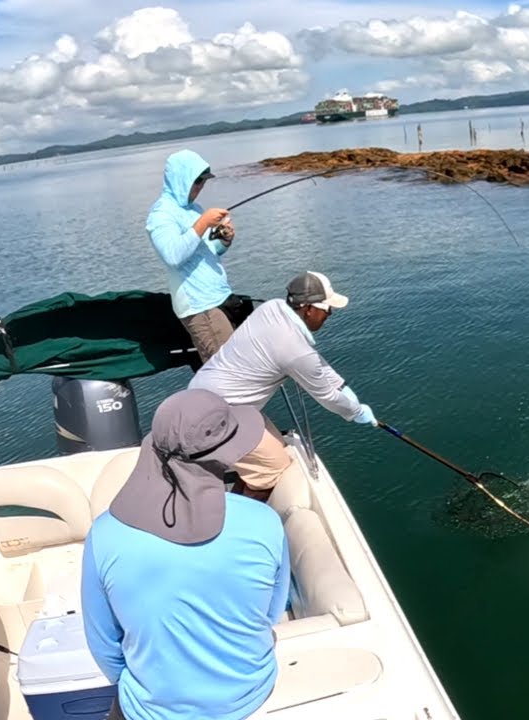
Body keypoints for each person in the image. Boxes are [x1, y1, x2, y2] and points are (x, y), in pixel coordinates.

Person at [82, 388, 290, 720]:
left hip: (152, 710)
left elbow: (104, 645)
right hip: (252, 693)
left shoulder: (103, 535)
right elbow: (271, 612)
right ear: (230, 452)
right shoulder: (265, 522)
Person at [189, 271, 377, 501]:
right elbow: (326, 395)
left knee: (275, 449)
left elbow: (314, 363)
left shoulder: (271, 309)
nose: (330, 314)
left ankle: (239, 499)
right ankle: (238, 526)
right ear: (308, 308)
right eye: (327, 309)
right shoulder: (295, 350)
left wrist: (342, 385)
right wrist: (355, 412)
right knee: (272, 468)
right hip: (216, 415)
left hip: (206, 396)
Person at [146, 149, 238, 362]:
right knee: (228, 371)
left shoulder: (194, 209)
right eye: (197, 181)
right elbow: (173, 255)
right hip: (200, 306)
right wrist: (203, 223)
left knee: (235, 367)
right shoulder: (161, 215)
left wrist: (224, 240)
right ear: (182, 178)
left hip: (219, 297)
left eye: (203, 182)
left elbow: (210, 251)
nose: (200, 187)